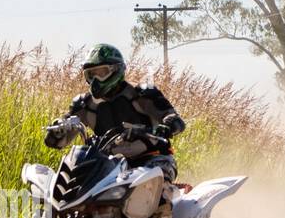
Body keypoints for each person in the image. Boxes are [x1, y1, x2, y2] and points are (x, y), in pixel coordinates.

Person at [43, 43, 185, 182]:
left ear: (116, 69)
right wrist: (58, 131)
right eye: (91, 74)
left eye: (101, 73)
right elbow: (57, 142)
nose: (96, 80)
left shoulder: (142, 93)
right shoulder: (83, 104)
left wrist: (168, 125)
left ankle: (167, 202)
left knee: (158, 186)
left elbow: (175, 120)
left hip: (151, 157)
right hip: (107, 165)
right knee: (72, 185)